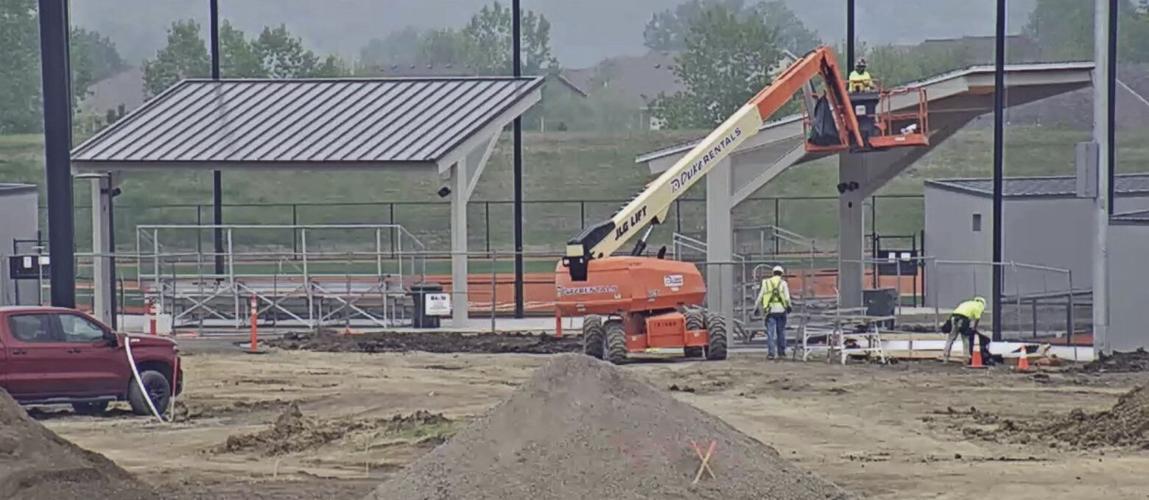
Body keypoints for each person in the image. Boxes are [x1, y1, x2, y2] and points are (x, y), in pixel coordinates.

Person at [755, 265, 792, 360]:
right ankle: (781, 352)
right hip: (781, 310)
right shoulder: (783, 283)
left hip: (770, 311)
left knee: (771, 333)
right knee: (781, 331)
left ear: (773, 273)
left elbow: (760, 296)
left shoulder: (766, 282)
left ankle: (771, 353)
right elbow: (787, 298)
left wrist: (755, 308)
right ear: (782, 274)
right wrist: (789, 307)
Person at [943, 296, 990, 365]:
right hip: (964, 319)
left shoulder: (967, 303)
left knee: (950, 339)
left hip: (954, 318)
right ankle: (966, 360)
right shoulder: (979, 306)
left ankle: (945, 358)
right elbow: (977, 318)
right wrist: (974, 328)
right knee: (965, 339)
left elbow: (957, 311)